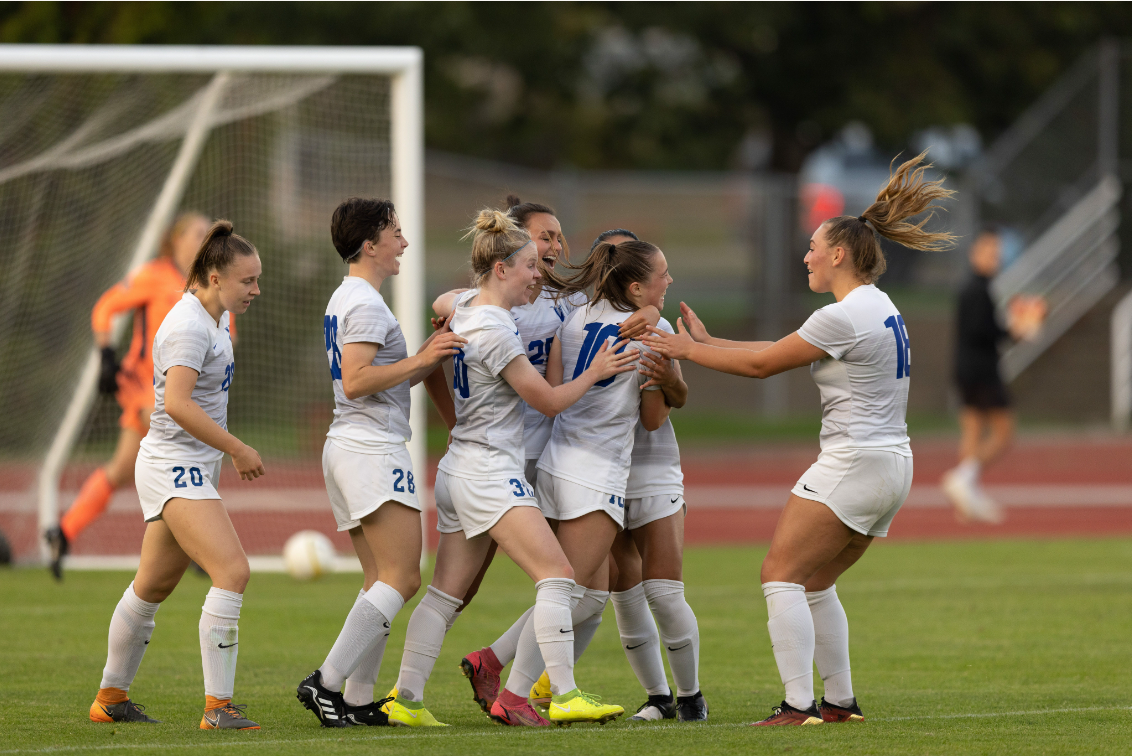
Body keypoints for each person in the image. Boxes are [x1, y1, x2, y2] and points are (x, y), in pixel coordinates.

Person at [644, 151, 954, 726]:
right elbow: (769, 353)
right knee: (814, 581)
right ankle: (839, 703)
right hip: (891, 463)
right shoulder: (875, 305)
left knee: (779, 573)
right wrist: (710, 343)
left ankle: (797, 705)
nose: (806, 254)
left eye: (814, 245)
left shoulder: (842, 315)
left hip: (855, 460)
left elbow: (764, 367)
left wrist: (686, 350)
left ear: (839, 254)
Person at [381, 209, 635, 728]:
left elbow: (448, 307)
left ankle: (404, 700)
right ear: (500, 269)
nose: (537, 273)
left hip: (460, 467)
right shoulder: (496, 328)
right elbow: (546, 401)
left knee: (445, 594)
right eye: (528, 266)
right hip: (491, 473)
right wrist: (596, 372)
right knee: (559, 575)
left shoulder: (468, 306)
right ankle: (562, 694)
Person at [486, 238, 673, 726]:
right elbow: (653, 418)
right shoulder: (653, 330)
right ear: (636, 286)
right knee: (565, 592)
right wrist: (670, 376)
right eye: (662, 275)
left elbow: (554, 383)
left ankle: (498, 667)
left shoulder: (575, 318)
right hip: (597, 474)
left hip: (555, 463)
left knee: (584, 594)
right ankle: (517, 694)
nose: (668, 282)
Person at [87, 220, 265, 730]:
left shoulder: (215, 320)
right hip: (173, 468)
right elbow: (180, 406)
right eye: (247, 281)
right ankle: (218, 708)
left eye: (257, 279)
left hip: (184, 466)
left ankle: (110, 698)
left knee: (152, 586)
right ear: (213, 277)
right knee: (232, 571)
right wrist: (236, 448)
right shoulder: (187, 325)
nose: (256, 289)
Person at [294, 199, 466, 728]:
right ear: (369, 244)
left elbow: (375, 379)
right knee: (403, 577)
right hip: (371, 450)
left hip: (352, 445)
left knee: (379, 580)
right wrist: (423, 358)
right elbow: (356, 380)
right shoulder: (365, 303)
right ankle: (325, 682)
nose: (404, 242)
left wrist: (427, 355)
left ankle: (358, 696)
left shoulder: (349, 297)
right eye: (395, 232)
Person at [46, 213, 211, 579]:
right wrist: (105, 354)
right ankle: (197, 544)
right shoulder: (154, 275)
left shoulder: (207, 285)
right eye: (200, 231)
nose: (206, 237)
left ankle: (63, 532)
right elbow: (105, 307)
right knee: (182, 450)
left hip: (178, 392)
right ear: (177, 239)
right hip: (143, 389)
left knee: (121, 470)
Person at [940, 228, 1045, 523]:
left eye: (996, 253)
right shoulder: (977, 289)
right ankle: (963, 479)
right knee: (1004, 432)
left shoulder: (975, 287)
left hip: (965, 369)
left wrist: (1010, 328)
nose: (993, 258)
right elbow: (982, 332)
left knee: (972, 432)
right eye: (988, 252)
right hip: (981, 371)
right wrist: (1015, 329)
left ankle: (965, 504)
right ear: (974, 253)